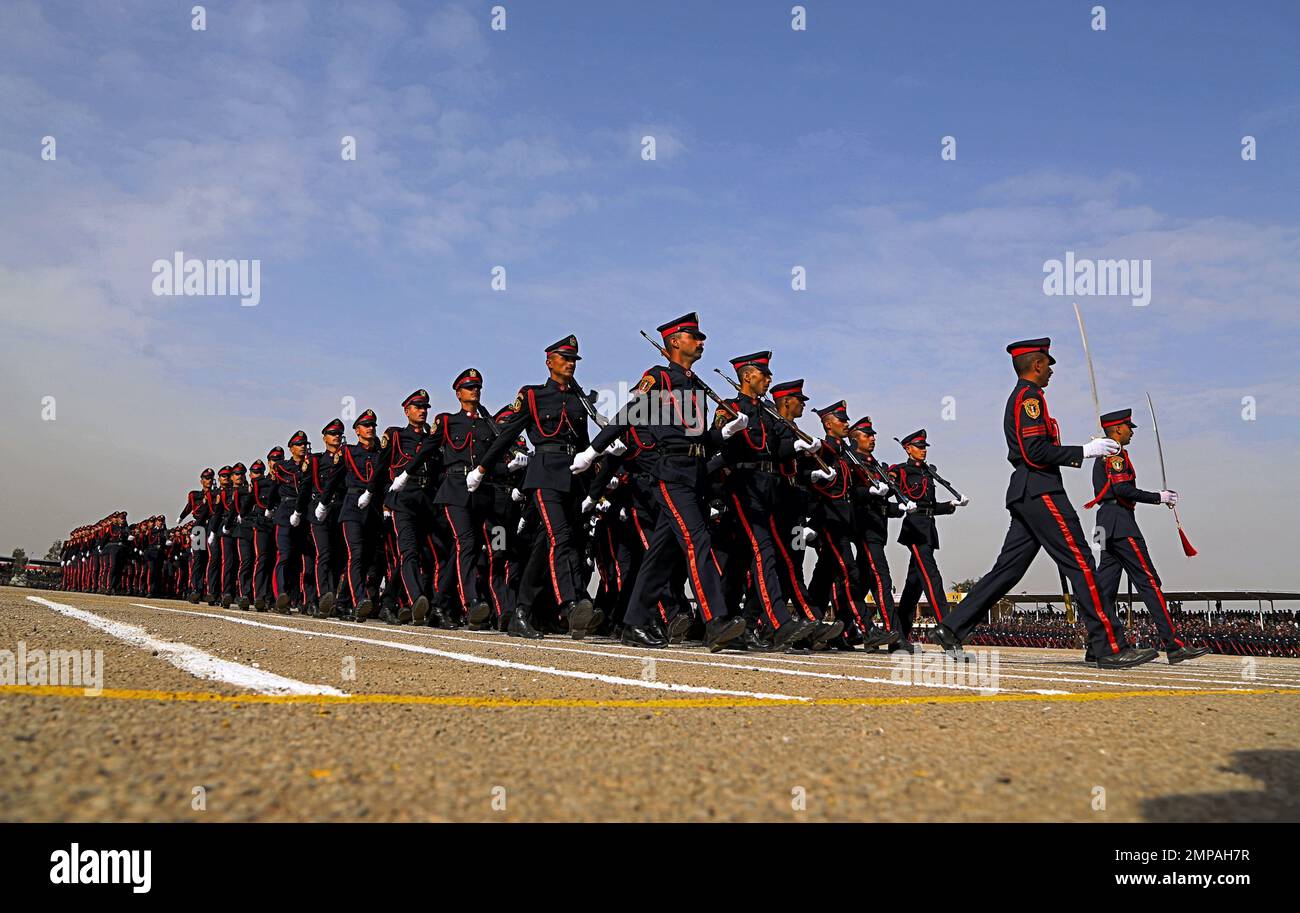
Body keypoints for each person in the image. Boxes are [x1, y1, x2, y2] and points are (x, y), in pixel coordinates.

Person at [931, 338, 1157, 669]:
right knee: (1080, 563)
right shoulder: (1029, 398)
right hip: (1041, 491)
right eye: (1048, 364)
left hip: (1027, 493)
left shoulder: (1026, 397)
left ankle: (951, 628)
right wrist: (1084, 451)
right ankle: (1107, 645)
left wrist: (1082, 449)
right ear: (1037, 365)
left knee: (1007, 571)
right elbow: (1034, 452)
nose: (1051, 370)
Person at [587, 313, 747, 651]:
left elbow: (700, 436)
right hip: (670, 472)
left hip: (694, 471)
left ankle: (633, 623)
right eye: (694, 336)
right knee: (697, 539)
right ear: (674, 342)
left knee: (662, 553)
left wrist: (724, 433)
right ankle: (716, 620)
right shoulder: (657, 376)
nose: (702, 342)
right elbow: (630, 412)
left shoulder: (693, 385)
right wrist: (594, 449)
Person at [470, 336, 602, 640]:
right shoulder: (532, 396)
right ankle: (571, 604)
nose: (569, 363)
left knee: (546, 546)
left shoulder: (577, 400)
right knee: (560, 537)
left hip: (572, 477)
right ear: (549, 362)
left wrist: (597, 478)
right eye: (564, 358)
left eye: (573, 360)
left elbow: (583, 443)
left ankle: (521, 612)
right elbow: (506, 436)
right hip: (543, 475)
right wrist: (482, 468)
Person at [1085, 408, 1209, 664]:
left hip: (1105, 524)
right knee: (1148, 581)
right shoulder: (1115, 453)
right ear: (1117, 429)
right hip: (1121, 523)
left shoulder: (1105, 455)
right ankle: (1173, 645)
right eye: (1128, 427)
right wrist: (1158, 497)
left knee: (1105, 589)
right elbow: (1122, 488)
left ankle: (1097, 646)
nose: (1131, 431)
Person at [891, 429, 968, 641]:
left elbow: (930, 506)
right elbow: (889, 489)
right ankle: (948, 628)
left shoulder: (928, 472)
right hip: (914, 529)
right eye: (919, 447)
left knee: (913, 587)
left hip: (928, 528)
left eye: (925, 447)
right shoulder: (901, 471)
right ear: (907, 449)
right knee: (932, 577)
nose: (924, 450)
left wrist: (951, 505)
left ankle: (899, 635)